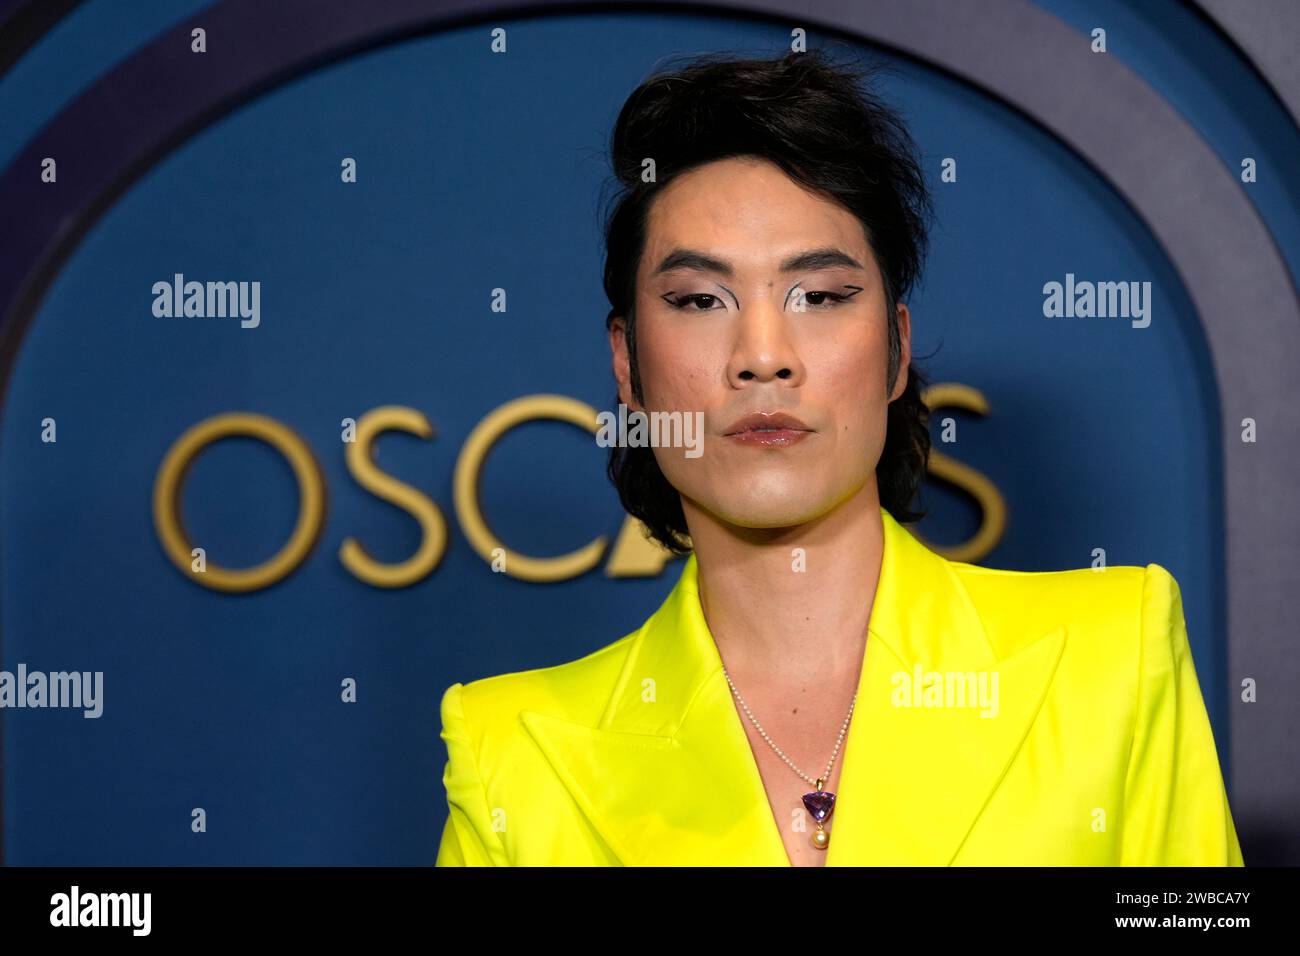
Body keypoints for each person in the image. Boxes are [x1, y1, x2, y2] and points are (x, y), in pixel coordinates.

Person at [435, 49, 1244, 866]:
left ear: (896, 349)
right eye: (699, 301)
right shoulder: (514, 754)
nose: (762, 356)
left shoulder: (1109, 657)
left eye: (819, 295)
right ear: (626, 365)